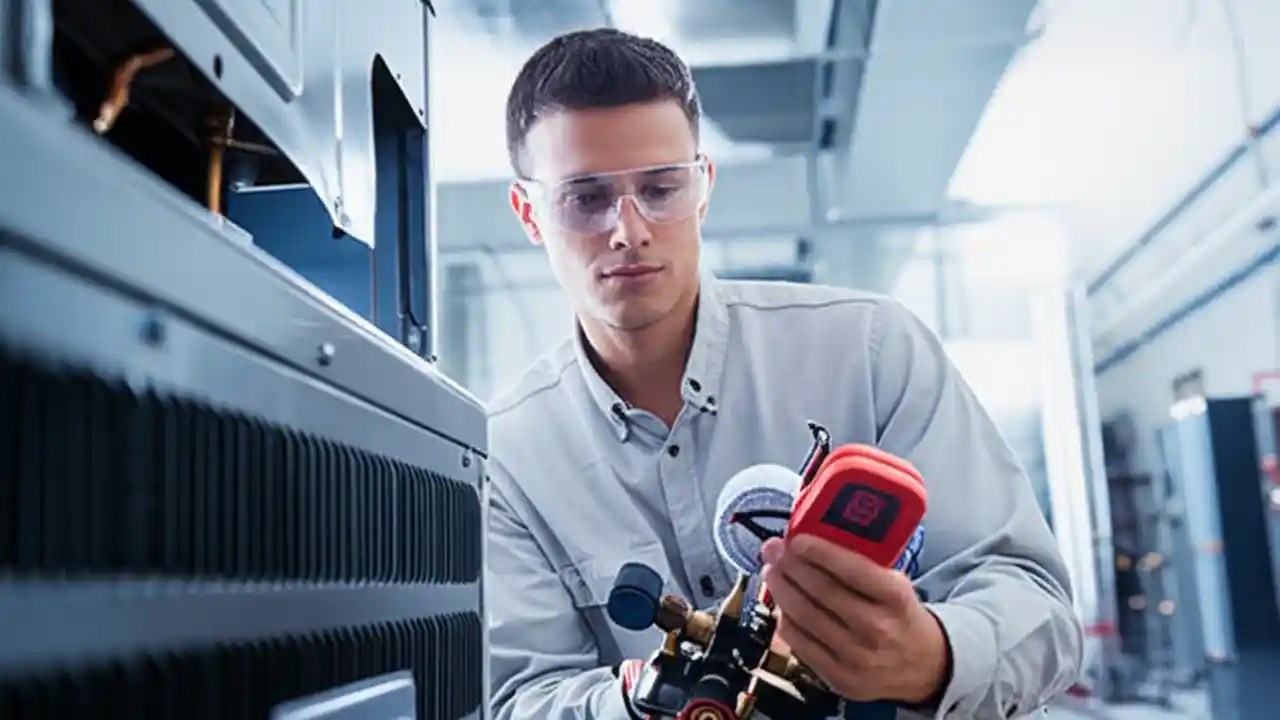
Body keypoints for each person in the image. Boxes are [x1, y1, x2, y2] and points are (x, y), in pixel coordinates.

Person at [485, 27, 1082, 720]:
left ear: (702, 189)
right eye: (585, 198)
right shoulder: (506, 459)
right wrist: (638, 698)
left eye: (660, 187)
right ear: (529, 212)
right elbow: (521, 700)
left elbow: (1037, 606)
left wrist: (933, 656)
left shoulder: (870, 350)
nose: (629, 229)